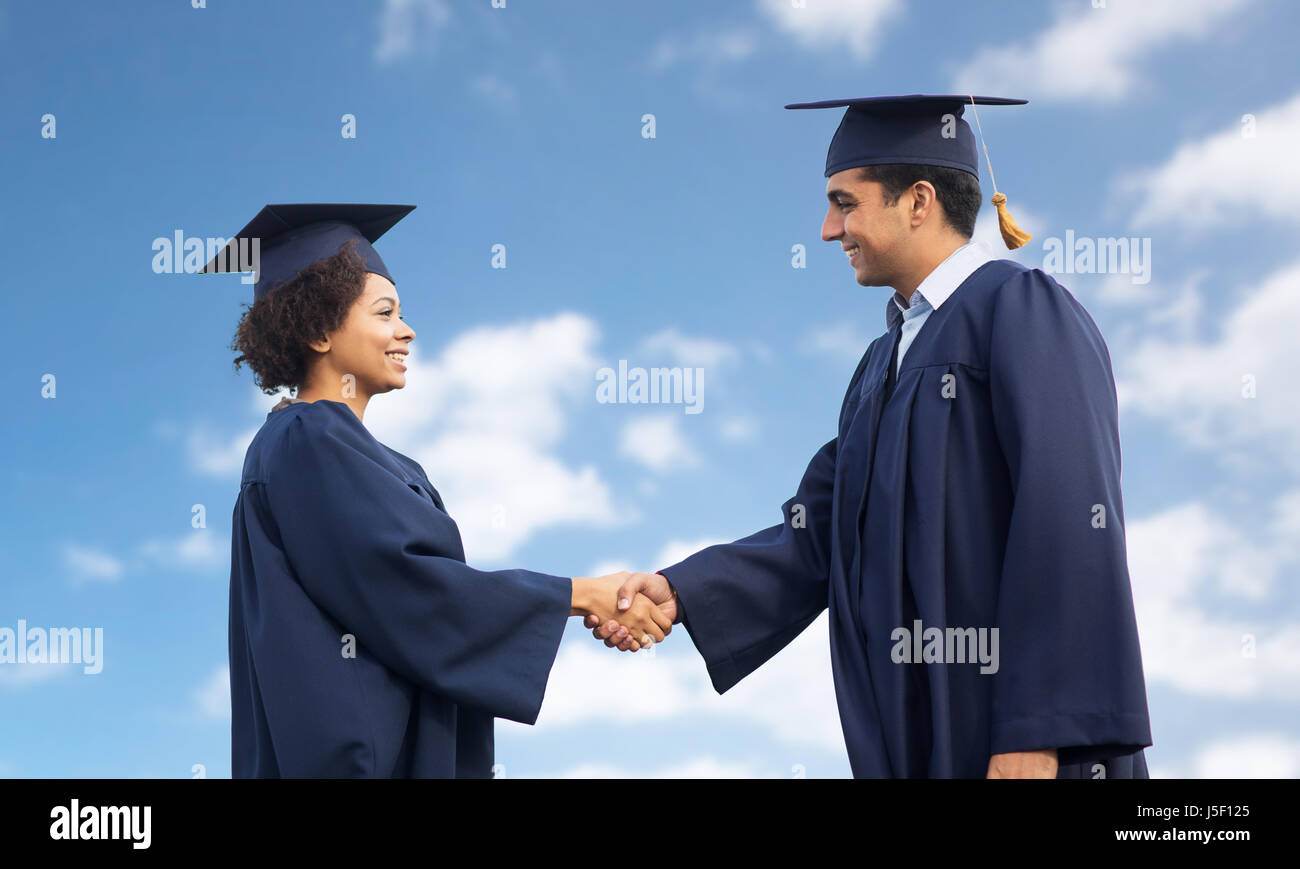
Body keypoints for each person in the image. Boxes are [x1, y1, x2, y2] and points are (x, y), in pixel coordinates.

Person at [590, 96, 1153, 779]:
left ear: (918, 201)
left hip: (1013, 737)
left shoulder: (1022, 310)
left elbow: (1072, 517)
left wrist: (1042, 730)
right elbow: (815, 534)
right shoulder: (879, 366)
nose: (829, 230)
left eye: (844, 203)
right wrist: (683, 593)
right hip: (908, 736)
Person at [203, 203, 671, 778]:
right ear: (319, 328)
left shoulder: (370, 457)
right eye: (385, 312)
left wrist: (581, 600)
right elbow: (405, 588)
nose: (407, 329)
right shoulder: (306, 438)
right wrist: (579, 595)